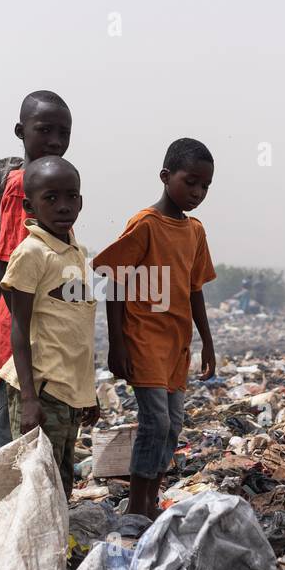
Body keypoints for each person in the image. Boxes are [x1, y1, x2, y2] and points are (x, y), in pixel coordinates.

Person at [93, 138, 217, 518]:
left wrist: (207, 343)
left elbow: (194, 289)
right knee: (155, 421)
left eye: (204, 187)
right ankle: (137, 504)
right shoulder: (145, 224)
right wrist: (117, 344)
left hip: (176, 343)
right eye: (190, 182)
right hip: (143, 338)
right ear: (165, 177)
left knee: (173, 425)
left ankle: (151, 495)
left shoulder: (195, 231)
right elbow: (111, 278)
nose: (197, 193)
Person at [0, 156, 98, 495]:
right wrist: (27, 398)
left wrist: (88, 392)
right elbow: (20, 328)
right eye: (50, 198)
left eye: (71, 196)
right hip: (41, 389)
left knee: (61, 483)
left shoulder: (77, 253)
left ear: (81, 201)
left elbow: (76, 327)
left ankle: (54, 548)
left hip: (69, 392)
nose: (63, 206)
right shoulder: (31, 253)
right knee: (37, 487)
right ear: (30, 205)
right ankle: (29, 550)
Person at [0, 91, 73, 449]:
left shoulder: (51, 187)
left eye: (64, 133)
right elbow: (11, 268)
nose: (55, 141)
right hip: (19, 337)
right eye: (44, 130)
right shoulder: (24, 186)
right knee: (14, 445)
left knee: (34, 444)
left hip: (36, 338)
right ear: (21, 131)